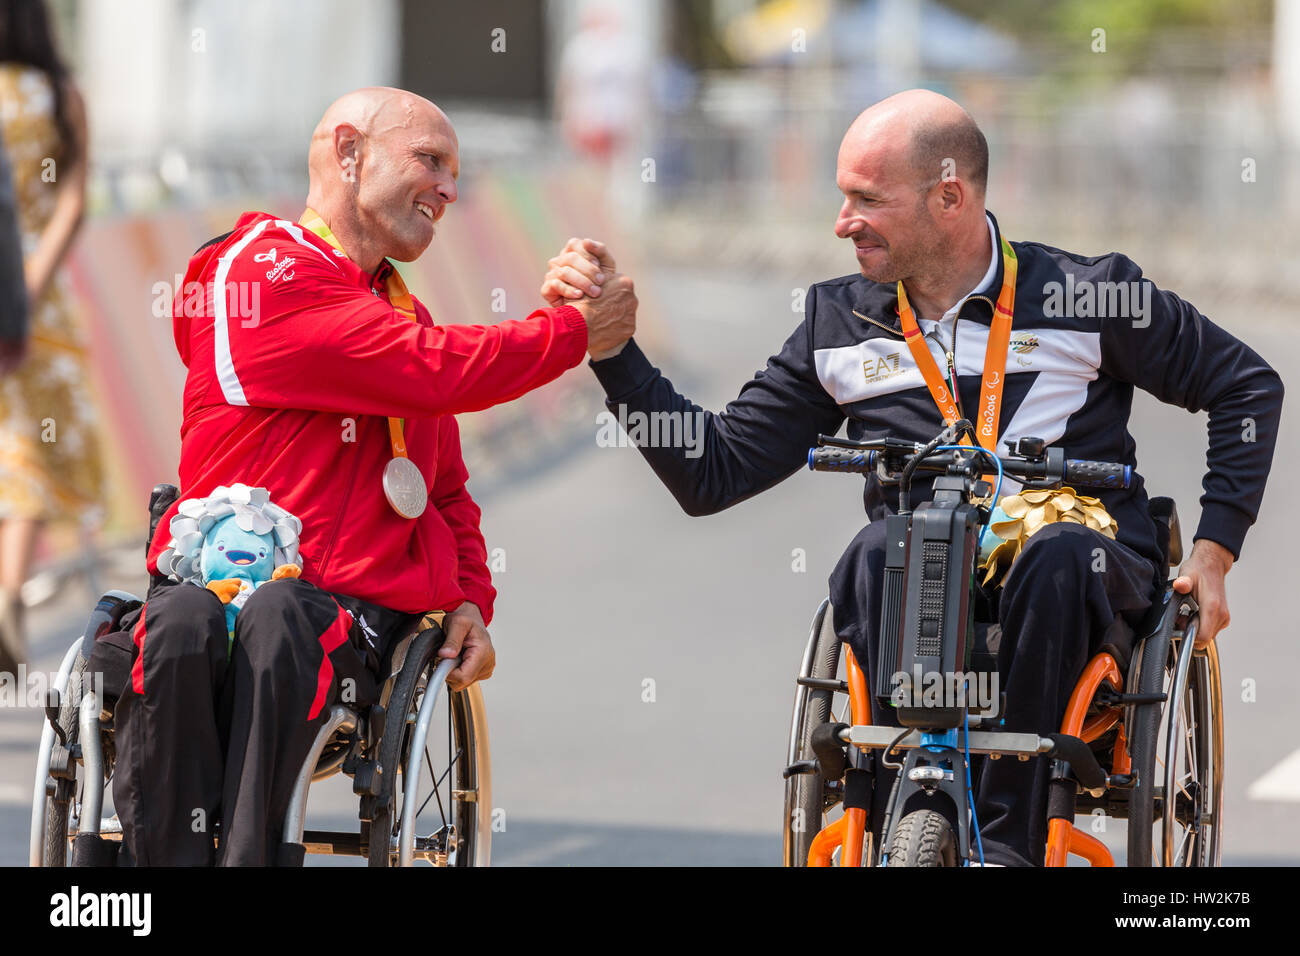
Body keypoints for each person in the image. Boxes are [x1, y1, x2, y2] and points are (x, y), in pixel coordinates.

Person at [542, 89, 1284, 866]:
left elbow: (1245, 386)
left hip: (1080, 562)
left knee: (1059, 557)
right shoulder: (838, 324)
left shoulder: (1088, 294)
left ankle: (1008, 841)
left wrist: (1214, 551)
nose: (842, 221)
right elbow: (713, 472)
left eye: (867, 199)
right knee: (871, 551)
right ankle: (907, 789)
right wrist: (613, 354)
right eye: (842, 198)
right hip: (922, 569)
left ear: (949, 197)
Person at [103, 86, 637, 866]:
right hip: (222, 599)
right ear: (349, 153)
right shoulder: (261, 271)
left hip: (342, 628)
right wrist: (570, 333)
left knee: (284, 614)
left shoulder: (394, 312)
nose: (451, 189)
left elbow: (444, 487)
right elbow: (436, 368)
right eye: (430, 161)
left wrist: (469, 601)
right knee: (192, 619)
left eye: (456, 172)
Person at [0, 0, 102, 674]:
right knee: (29, 455)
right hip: (41, 302)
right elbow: (74, 195)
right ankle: (8, 598)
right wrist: (35, 278)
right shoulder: (59, 94)